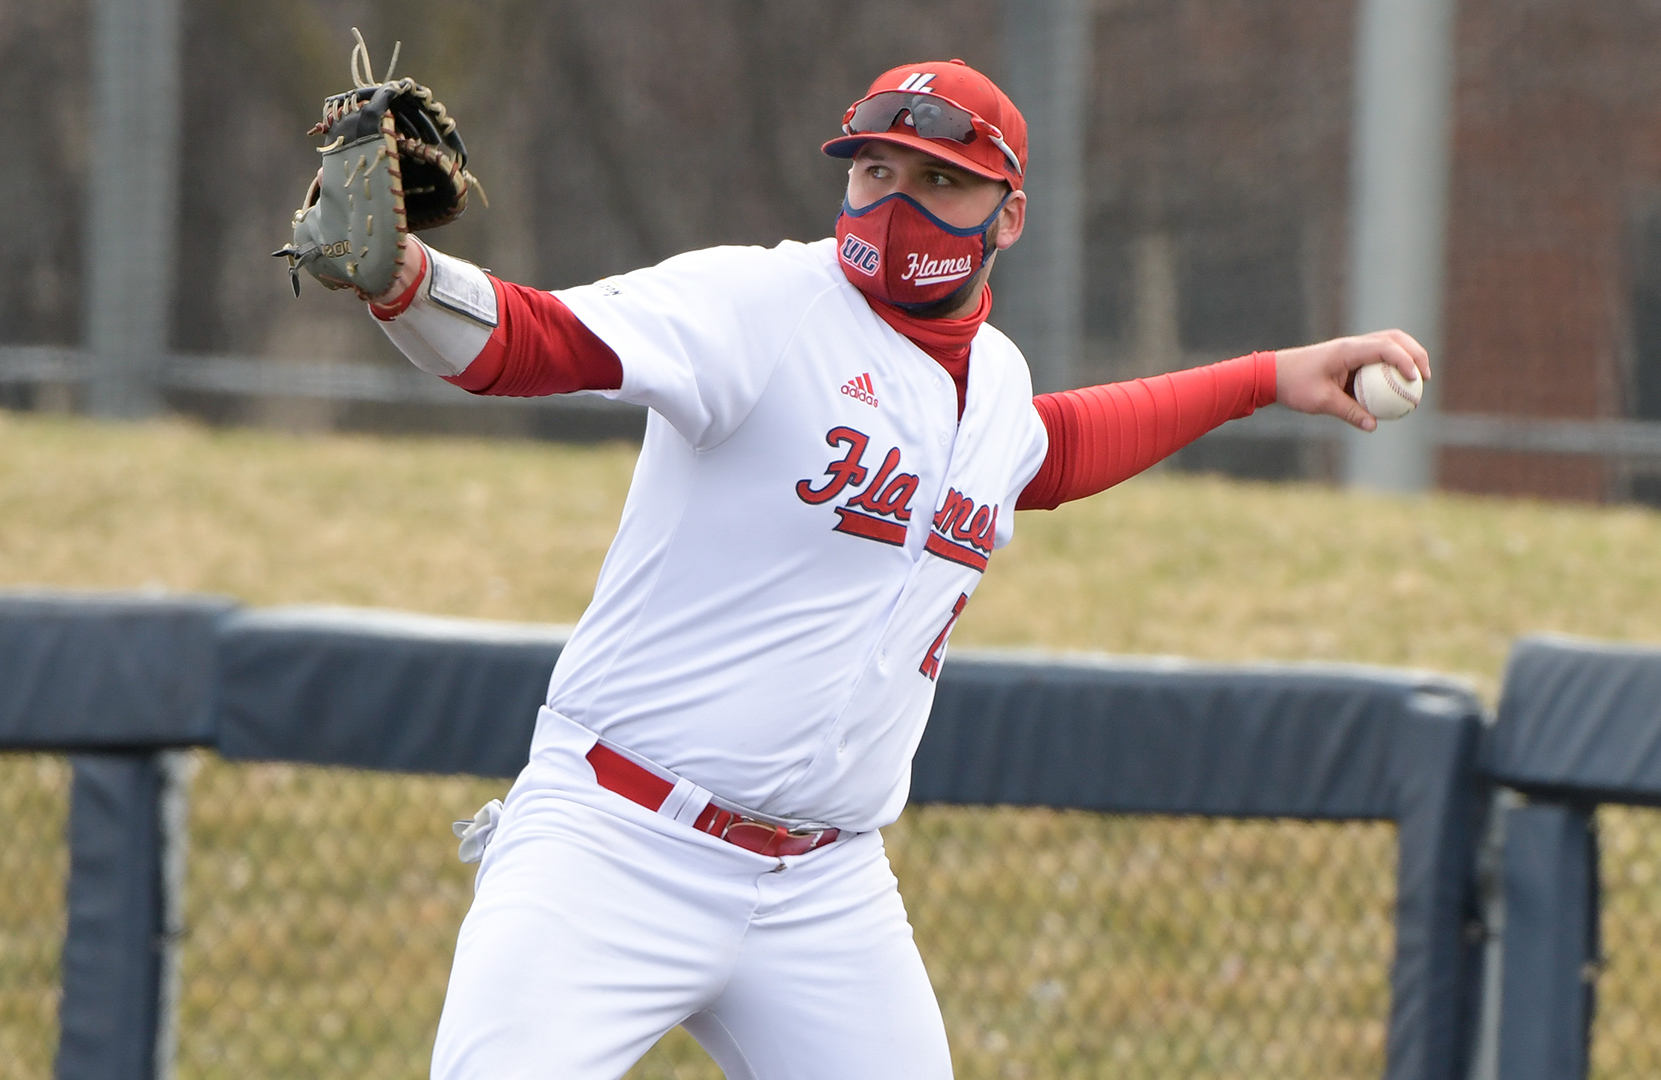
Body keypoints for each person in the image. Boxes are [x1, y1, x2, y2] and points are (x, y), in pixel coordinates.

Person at [344, 59, 1428, 1079]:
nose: (896, 202)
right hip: (619, 842)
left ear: (1009, 216)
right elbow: (535, 341)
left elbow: (1053, 451)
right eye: (875, 170)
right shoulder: (764, 304)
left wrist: (1268, 377)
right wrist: (406, 281)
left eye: (940, 180)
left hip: (821, 888)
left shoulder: (994, 383)